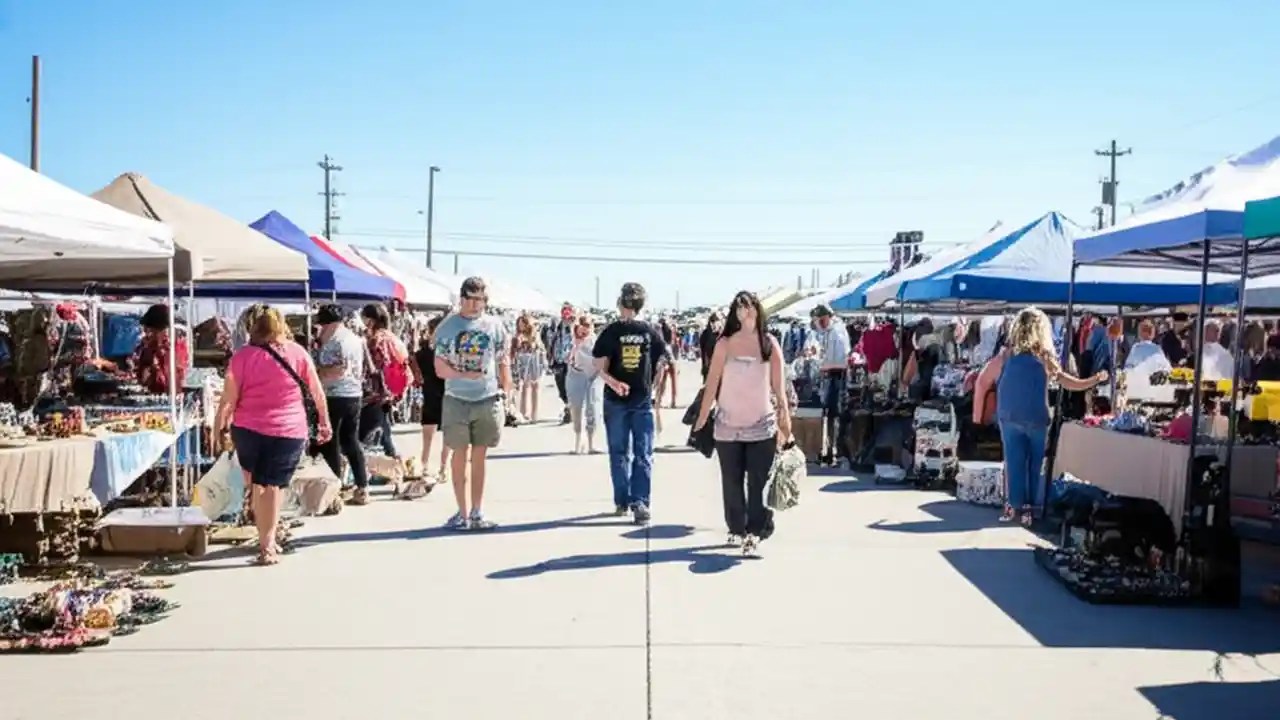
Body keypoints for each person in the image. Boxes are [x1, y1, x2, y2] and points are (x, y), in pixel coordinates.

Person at [214, 305, 331, 565]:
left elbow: (228, 399)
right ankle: (267, 543)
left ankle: (264, 536)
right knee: (273, 486)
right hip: (288, 430)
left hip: (248, 430)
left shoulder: (242, 357)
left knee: (258, 485)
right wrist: (324, 422)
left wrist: (218, 426)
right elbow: (316, 392)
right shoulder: (298, 353)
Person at [981, 307, 1107, 526]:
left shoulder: (1006, 354)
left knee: (1014, 463)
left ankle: (1015, 508)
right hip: (1036, 416)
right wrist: (1094, 380)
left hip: (1009, 415)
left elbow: (984, 378)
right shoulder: (1044, 357)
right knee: (1035, 464)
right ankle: (1032, 509)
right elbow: (1069, 383)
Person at [694, 291, 792, 556]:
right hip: (728, 426)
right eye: (739, 307)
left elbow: (779, 389)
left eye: (748, 306)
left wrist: (786, 425)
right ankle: (736, 528)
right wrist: (701, 419)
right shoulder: (724, 344)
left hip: (762, 426)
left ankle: (755, 532)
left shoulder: (769, 344)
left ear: (758, 310)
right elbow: (712, 383)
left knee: (758, 483)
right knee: (731, 482)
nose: (744, 311)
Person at [433, 277, 512, 530]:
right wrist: (464, 374)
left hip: (487, 397)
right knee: (459, 452)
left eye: (481, 299)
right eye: (472, 298)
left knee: (480, 454)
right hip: (456, 398)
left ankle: (477, 511)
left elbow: (503, 359)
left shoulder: (494, 325)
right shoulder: (449, 326)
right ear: (462, 298)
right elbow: (439, 367)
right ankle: (462, 511)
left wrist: (506, 390)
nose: (476, 304)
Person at [594, 282, 666, 524]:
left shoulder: (645, 331)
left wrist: (651, 389)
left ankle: (636, 501)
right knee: (630, 452)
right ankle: (628, 500)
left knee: (634, 452)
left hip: (636, 400)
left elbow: (660, 362)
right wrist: (616, 383)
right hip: (622, 400)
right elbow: (600, 367)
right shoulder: (617, 332)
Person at [313, 304, 370, 504]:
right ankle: (362, 486)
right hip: (354, 394)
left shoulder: (334, 342)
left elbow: (337, 370)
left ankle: (334, 491)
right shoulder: (354, 338)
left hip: (335, 394)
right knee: (350, 440)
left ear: (328, 324)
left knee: (331, 442)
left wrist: (316, 372)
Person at [361, 303, 411, 459]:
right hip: (391, 390)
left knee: (368, 436)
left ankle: (389, 459)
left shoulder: (375, 339)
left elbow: (373, 368)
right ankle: (392, 456)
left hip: (376, 391)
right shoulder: (394, 338)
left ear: (370, 320)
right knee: (383, 429)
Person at [811, 303, 850, 466]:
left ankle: (835, 451)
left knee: (835, 415)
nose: (819, 323)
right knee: (827, 415)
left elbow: (840, 359)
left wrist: (823, 364)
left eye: (821, 320)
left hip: (836, 376)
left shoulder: (837, 332)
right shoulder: (826, 333)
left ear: (827, 317)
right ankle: (827, 450)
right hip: (829, 375)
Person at [412, 315, 450, 479]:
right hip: (447, 394)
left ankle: (424, 465)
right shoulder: (449, 352)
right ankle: (443, 468)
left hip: (429, 394)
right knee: (447, 435)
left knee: (428, 436)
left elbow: (415, 369)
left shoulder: (422, 353)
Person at [565, 315, 602, 454]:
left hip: (593, 376)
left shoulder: (597, 341)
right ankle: (578, 441)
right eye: (582, 326)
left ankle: (591, 443)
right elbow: (565, 357)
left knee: (593, 407)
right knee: (576, 407)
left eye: (587, 326)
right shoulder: (571, 340)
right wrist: (576, 346)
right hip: (575, 374)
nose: (585, 330)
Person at [133, 304, 189, 394]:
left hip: (171, 396)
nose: (147, 334)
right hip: (153, 394)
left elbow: (176, 381)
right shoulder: (148, 348)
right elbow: (143, 380)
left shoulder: (176, 347)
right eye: (146, 330)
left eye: (150, 330)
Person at [512, 313, 547, 423]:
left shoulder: (535, 335)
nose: (521, 326)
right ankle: (523, 413)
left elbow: (540, 348)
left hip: (534, 362)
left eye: (523, 324)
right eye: (519, 324)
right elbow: (514, 350)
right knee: (524, 386)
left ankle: (534, 414)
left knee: (535, 386)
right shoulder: (517, 336)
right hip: (522, 362)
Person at [900, 318, 943, 401]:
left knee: (924, 382)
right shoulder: (936, 337)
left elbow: (918, 349)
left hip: (923, 362)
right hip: (932, 364)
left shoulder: (920, 335)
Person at [547, 303, 577, 424]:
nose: (566, 315)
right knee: (561, 388)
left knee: (570, 387)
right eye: (564, 312)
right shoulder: (557, 327)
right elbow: (550, 340)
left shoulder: (576, 327)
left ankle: (570, 409)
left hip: (572, 362)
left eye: (568, 312)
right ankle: (568, 406)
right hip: (558, 360)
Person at [655, 317, 679, 409]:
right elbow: (676, 349)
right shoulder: (671, 335)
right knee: (673, 382)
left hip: (664, 360)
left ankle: (659, 400)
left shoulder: (659, 335)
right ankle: (673, 401)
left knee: (661, 382)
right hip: (672, 359)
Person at [699, 313, 722, 380]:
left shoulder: (722, 334)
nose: (713, 325)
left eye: (715, 322)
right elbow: (704, 352)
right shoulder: (705, 335)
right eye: (712, 322)